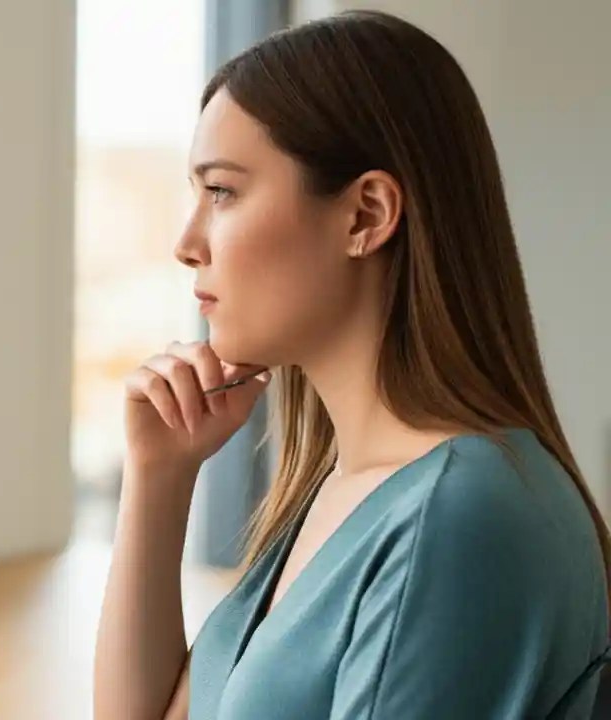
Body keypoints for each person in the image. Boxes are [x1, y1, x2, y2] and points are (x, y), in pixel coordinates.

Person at [93, 10, 611, 720]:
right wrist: (159, 475)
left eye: (222, 192)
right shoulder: (346, 485)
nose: (187, 242)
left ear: (366, 215)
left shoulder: (453, 518)